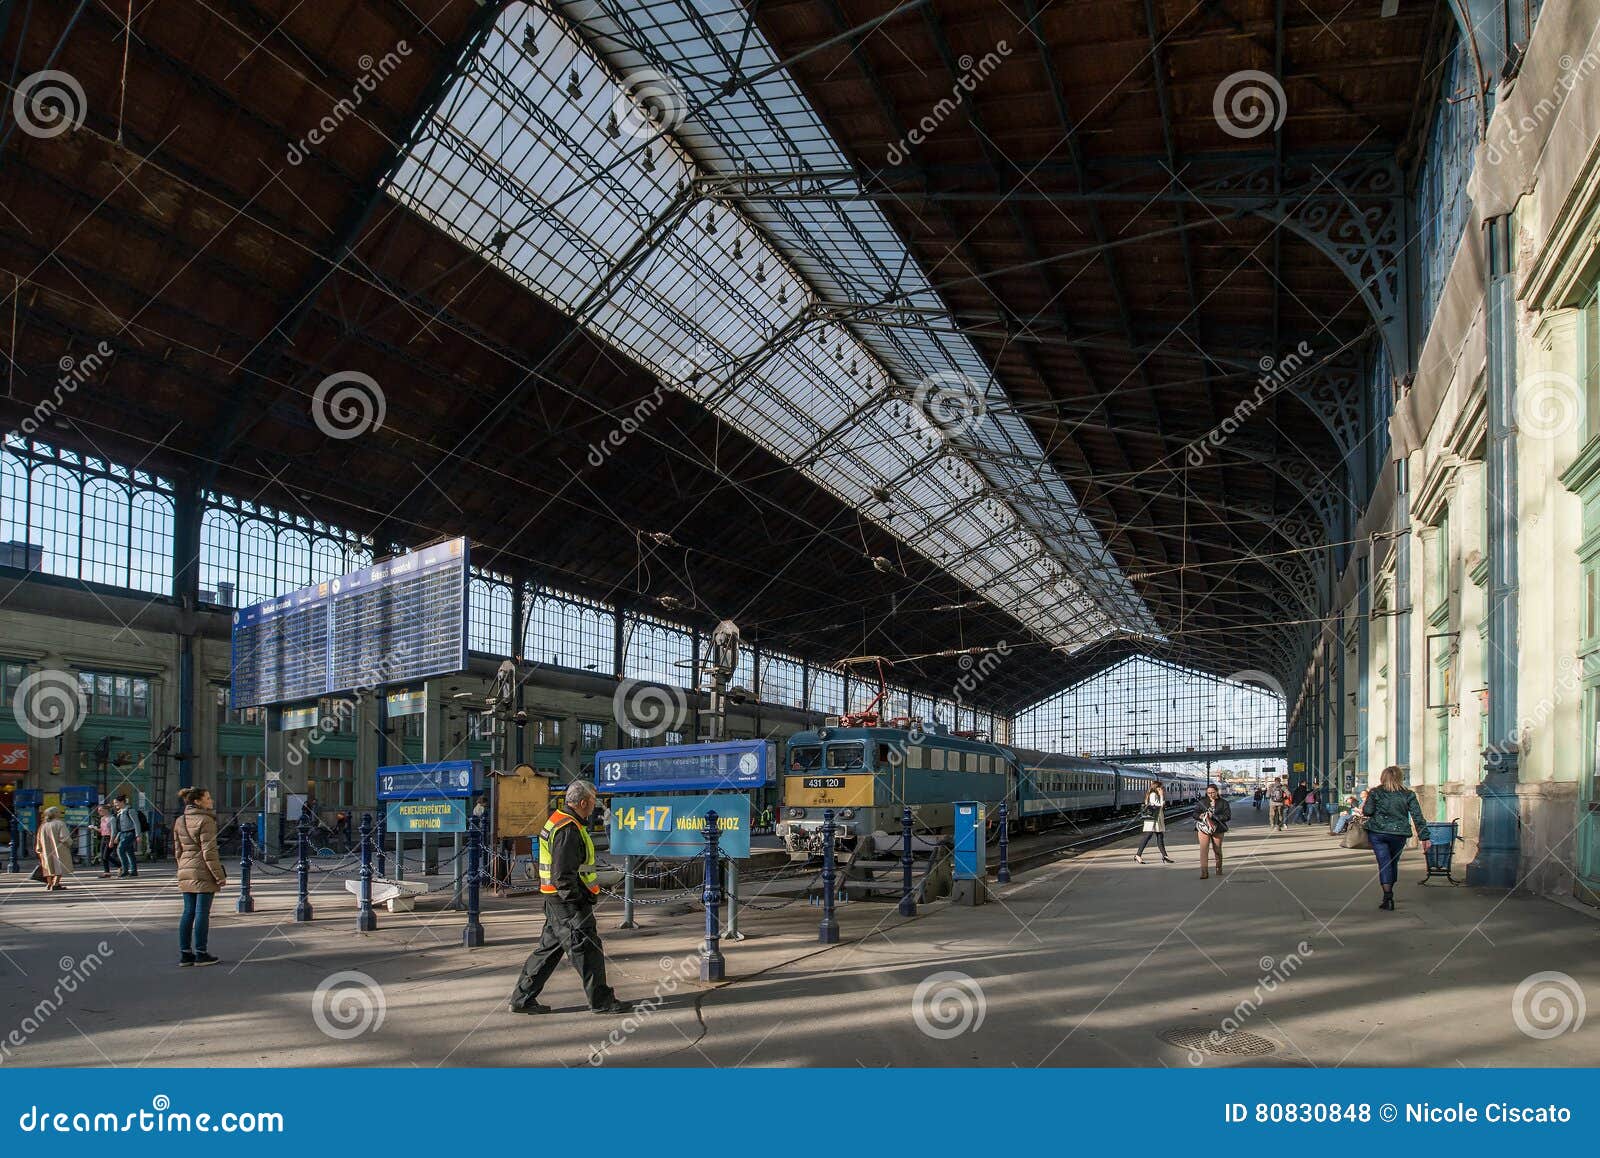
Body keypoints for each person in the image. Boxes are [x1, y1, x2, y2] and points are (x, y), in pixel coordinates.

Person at [508, 780, 631, 1015]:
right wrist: (576, 903)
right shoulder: (568, 828)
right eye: (593, 802)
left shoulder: (560, 820)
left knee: (548, 950)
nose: (594, 808)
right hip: (568, 902)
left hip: (555, 901)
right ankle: (601, 1001)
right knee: (588, 949)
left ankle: (522, 998)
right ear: (583, 802)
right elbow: (563, 875)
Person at [1362, 765, 1431, 910]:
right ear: (1400, 778)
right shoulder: (1408, 794)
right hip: (1399, 834)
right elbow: (1417, 816)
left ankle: (1388, 896)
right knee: (1393, 862)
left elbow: (1367, 811)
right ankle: (1389, 892)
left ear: (1383, 777)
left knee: (1384, 862)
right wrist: (1424, 837)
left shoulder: (1375, 792)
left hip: (1378, 833)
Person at [173, 785, 226, 965]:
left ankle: (185, 953)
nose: (211, 801)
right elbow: (209, 852)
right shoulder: (206, 821)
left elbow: (177, 850)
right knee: (202, 912)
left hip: (185, 869)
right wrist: (219, 875)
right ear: (197, 801)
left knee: (188, 911)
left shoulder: (179, 820)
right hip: (203, 870)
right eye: (208, 798)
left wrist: (182, 868)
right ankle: (201, 952)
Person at [1195, 783, 1231, 879]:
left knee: (1217, 849)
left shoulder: (1223, 803)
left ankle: (1218, 867)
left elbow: (1227, 816)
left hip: (1218, 828)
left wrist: (1215, 817)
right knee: (1203, 850)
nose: (1210, 794)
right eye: (1208, 793)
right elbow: (1195, 813)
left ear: (1217, 792)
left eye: (1213, 792)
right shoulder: (1202, 802)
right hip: (1203, 828)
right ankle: (1204, 872)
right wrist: (1200, 816)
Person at [1133, 780, 1173, 864]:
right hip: (1153, 819)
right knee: (1148, 836)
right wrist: (1162, 796)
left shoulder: (1153, 794)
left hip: (1155, 819)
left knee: (1159, 836)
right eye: (1161, 788)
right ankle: (1138, 855)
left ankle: (1165, 856)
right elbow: (1159, 807)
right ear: (1156, 788)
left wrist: (1161, 797)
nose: (1162, 789)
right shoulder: (1153, 795)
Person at [35, 806, 73, 891]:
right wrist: (70, 843)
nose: (60, 813)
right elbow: (64, 837)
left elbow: (38, 838)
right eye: (58, 812)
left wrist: (39, 849)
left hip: (46, 849)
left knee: (48, 866)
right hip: (59, 849)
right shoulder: (60, 823)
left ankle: (49, 884)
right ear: (55, 814)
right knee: (59, 866)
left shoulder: (43, 825)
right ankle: (56, 884)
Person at [112, 795, 142, 877]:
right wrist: (117, 836)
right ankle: (133, 871)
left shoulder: (130, 810)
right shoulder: (120, 812)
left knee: (120, 849)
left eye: (116, 802)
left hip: (130, 833)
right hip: (122, 833)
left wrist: (138, 835)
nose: (115, 804)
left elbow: (136, 823)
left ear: (122, 802)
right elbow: (120, 827)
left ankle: (125, 870)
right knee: (129, 852)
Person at [96, 804, 116, 877]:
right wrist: (95, 828)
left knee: (106, 856)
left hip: (109, 837)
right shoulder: (102, 818)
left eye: (100, 810)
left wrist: (111, 840)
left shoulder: (112, 818)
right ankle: (106, 872)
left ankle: (119, 865)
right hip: (103, 837)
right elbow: (102, 830)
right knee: (102, 856)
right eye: (98, 810)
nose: (99, 812)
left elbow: (114, 831)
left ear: (106, 810)